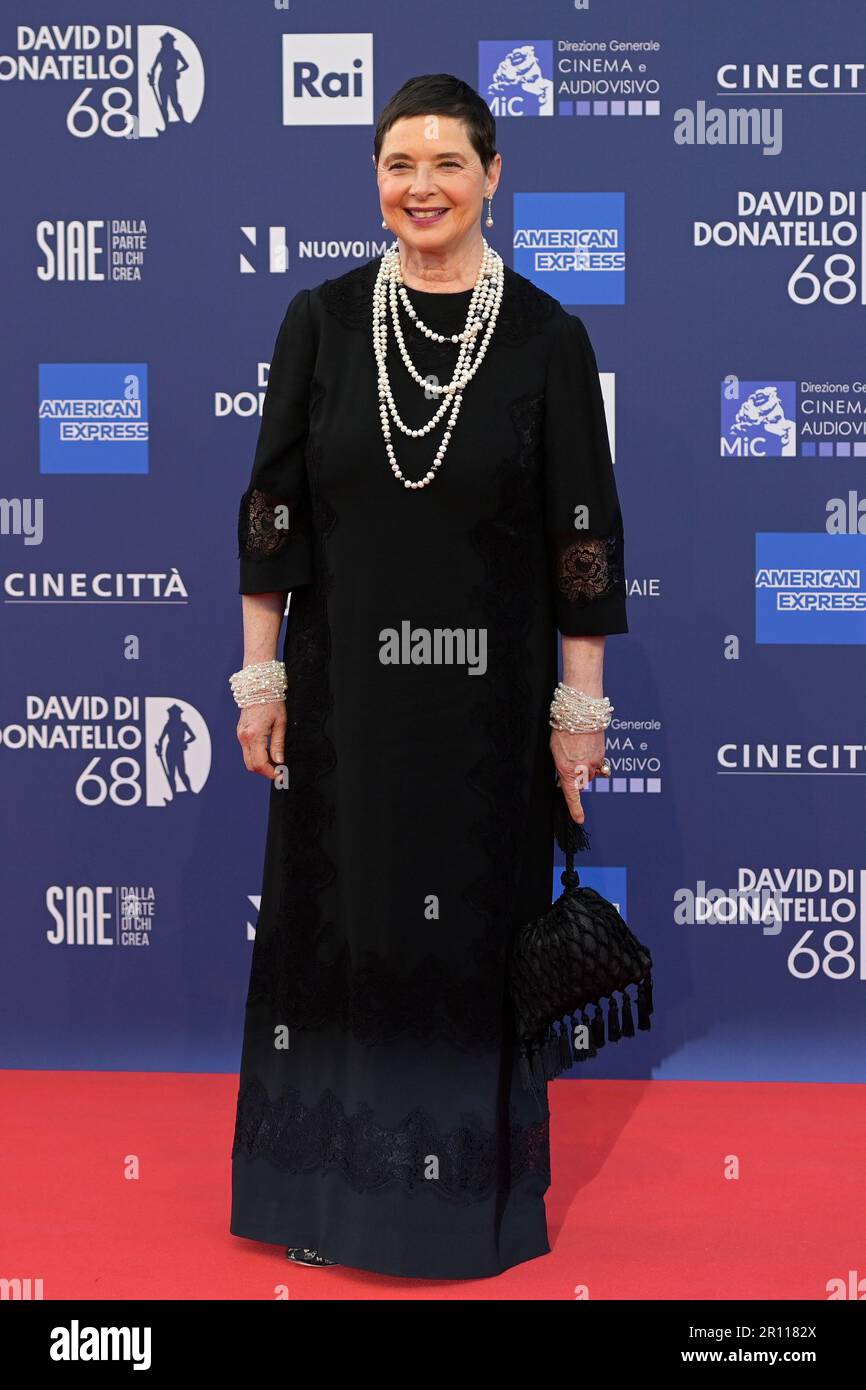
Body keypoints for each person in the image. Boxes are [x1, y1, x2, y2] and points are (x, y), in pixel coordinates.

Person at [228, 72, 627, 1280]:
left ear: (492, 178)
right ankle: (328, 1190)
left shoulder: (550, 338)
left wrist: (578, 704)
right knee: (339, 935)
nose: (422, 187)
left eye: (448, 163)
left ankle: (460, 1209)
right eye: (400, 164)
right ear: (376, 179)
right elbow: (271, 515)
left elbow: (582, 536)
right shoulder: (322, 320)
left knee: (462, 946)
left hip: (484, 718)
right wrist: (260, 680)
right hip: (345, 702)